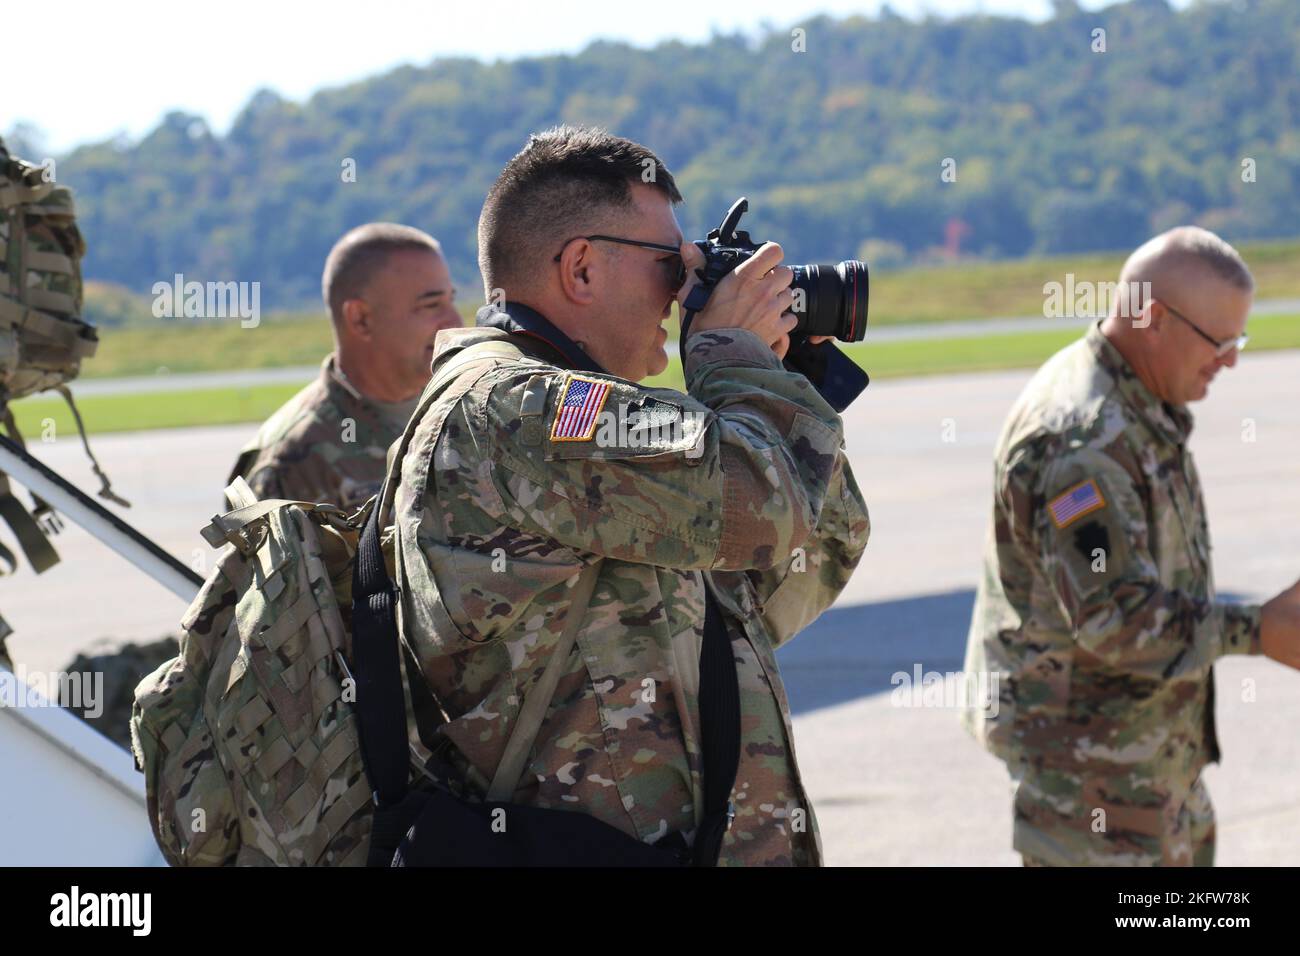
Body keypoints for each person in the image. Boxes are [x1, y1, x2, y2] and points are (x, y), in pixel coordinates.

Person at [390, 126, 870, 865]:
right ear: (580, 268)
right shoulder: (519, 411)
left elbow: (801, 564)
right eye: (667, 266)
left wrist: (786, 368)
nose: (684, 291)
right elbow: (763, 508)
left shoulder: (568, 427)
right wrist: (728, 356)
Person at [962, 226, 1300, 866]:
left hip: (1144, 772)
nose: (1231, 359)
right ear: (1152, 318)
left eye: (1239, 341)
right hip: (1092, 793)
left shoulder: (1137, 399)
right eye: (1219, 341)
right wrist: (1259, 630)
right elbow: (1114, 617)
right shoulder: (1083, 442)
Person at [227, 223, 461, 510]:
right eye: (431, 305)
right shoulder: (290, 462)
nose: (455, 322)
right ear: (360, 318)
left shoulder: (458, 415)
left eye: (451, 300)